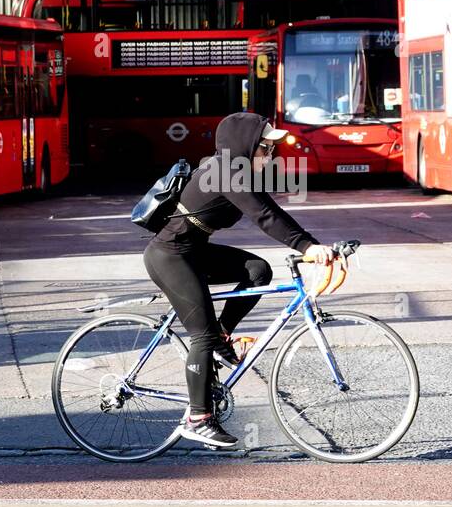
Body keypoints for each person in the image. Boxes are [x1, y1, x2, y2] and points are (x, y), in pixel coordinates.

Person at [143, 112, 335, 448]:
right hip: (170, 256)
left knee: (257, 271)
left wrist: (312, 243)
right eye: (265, 147)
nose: (270, 154)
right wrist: (308, 247)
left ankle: (222, 336)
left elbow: (271, 209)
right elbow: (264, 217)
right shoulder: (223, 171)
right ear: (245, 145)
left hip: (193, 250)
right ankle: (197, 418)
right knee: (201, 336)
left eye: (272, 149)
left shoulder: (239, 172)